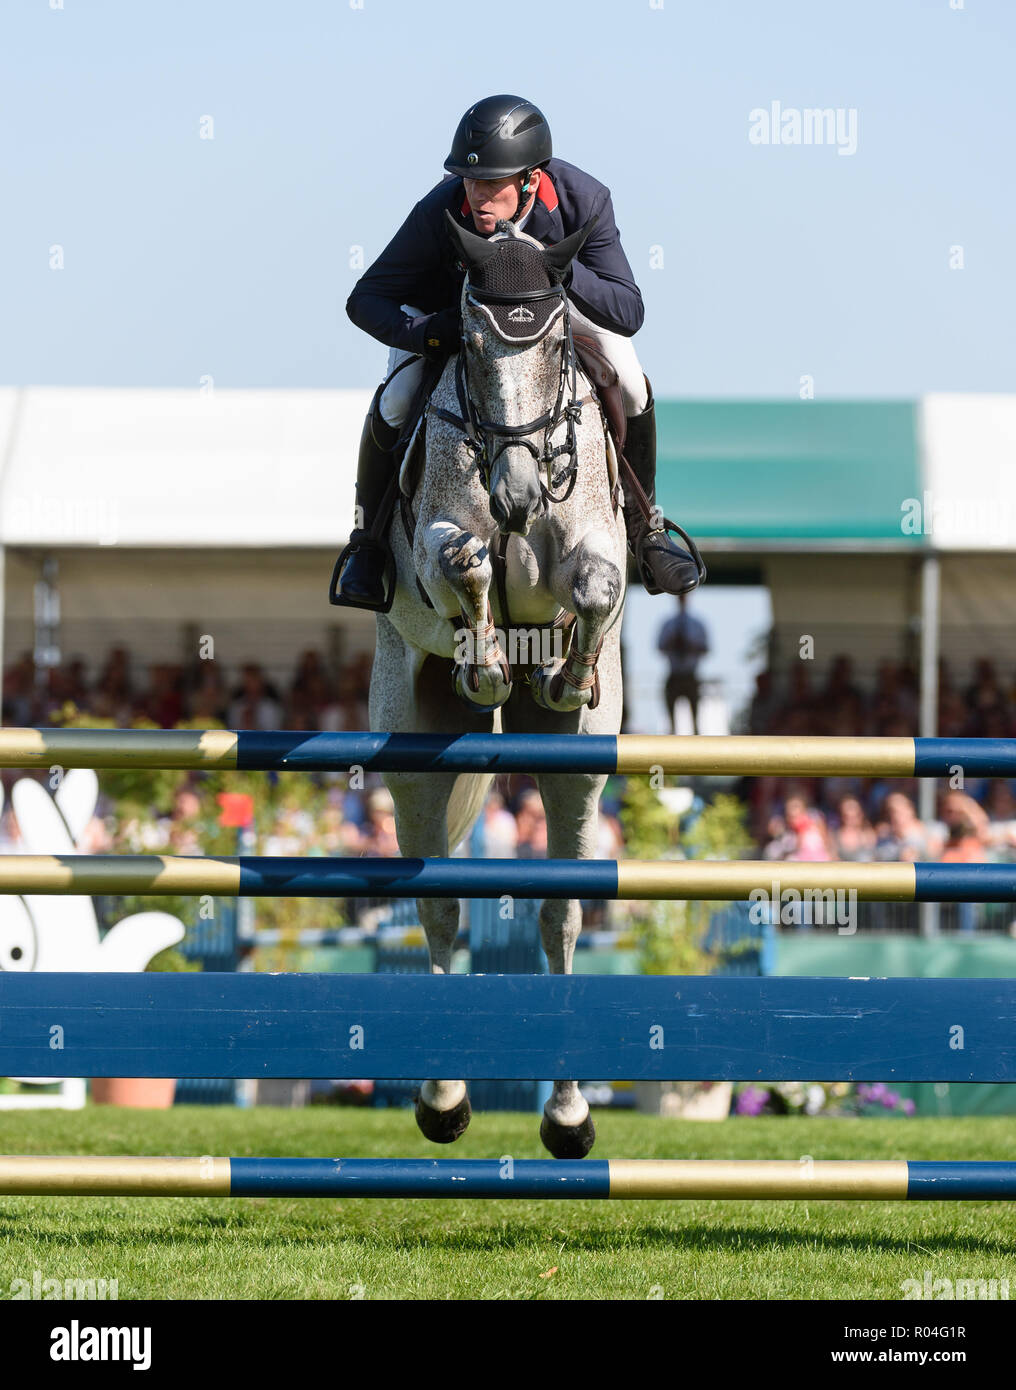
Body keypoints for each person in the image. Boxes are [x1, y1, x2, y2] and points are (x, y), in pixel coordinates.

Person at [332, 94, 701, 610]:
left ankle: (647, 531)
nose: (477, 196)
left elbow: (628, 309)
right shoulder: (440, 211)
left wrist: (561, 269)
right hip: (460, 319)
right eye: (469, 180)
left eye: (491, 184)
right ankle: (367, 547)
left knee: (632, 384)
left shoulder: (583, 201)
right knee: (396, 399)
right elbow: (364, 299)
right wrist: (429, 333)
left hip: (552, 305)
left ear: (530, 179)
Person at [657, 594, 709, 733]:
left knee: (696, 718)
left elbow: (706, 648)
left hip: (691, 674)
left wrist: (691, 646)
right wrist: (673, 643)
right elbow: (660, 647)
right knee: (670, 720)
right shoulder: (668, 624)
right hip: (674, 674)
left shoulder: (697, 624)